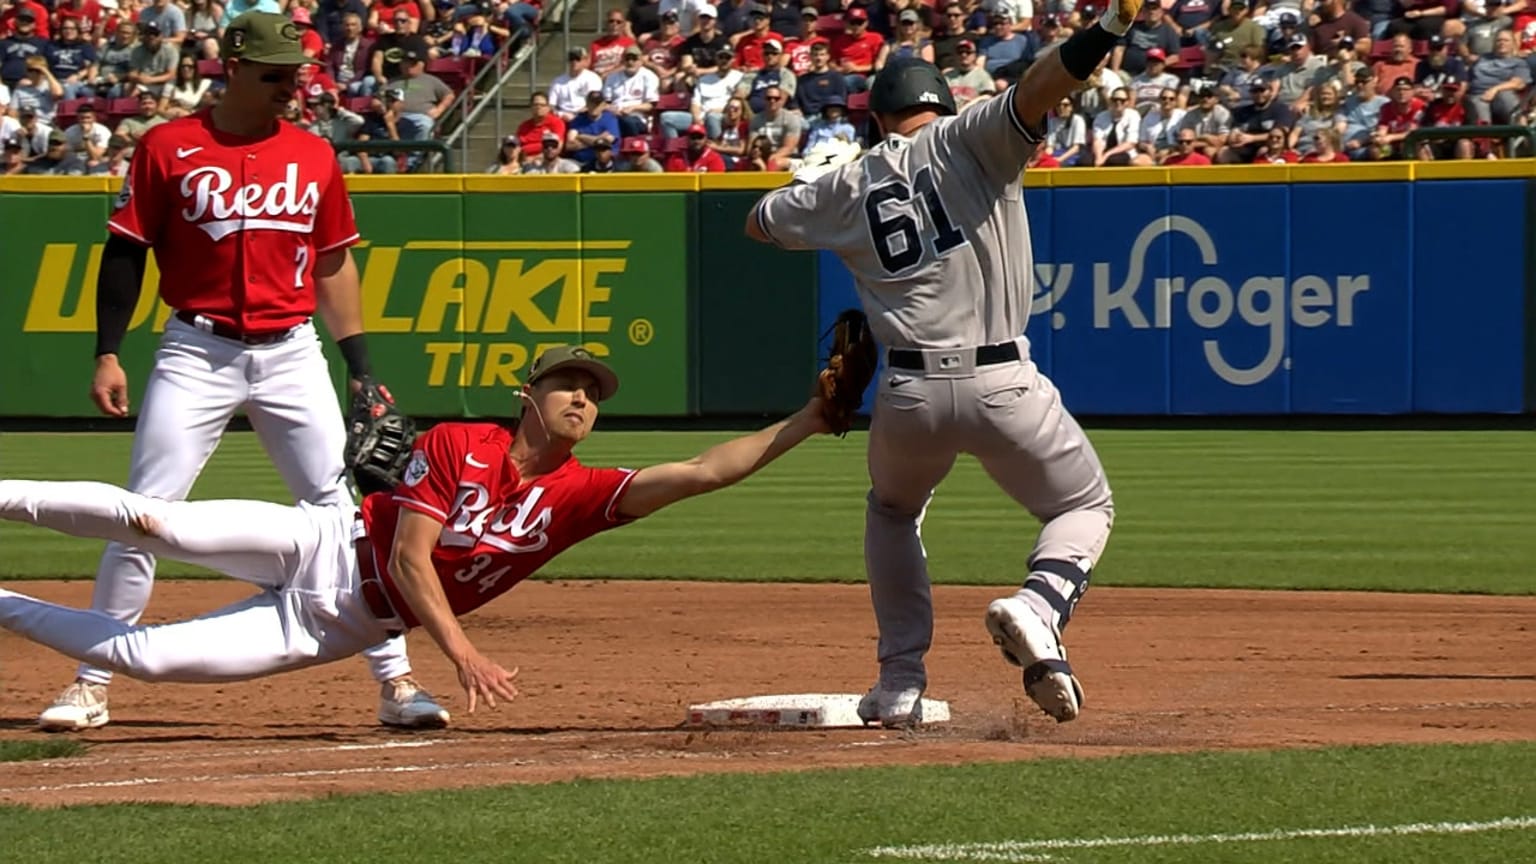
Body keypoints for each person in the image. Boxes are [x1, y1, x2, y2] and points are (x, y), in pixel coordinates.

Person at [0, 348, 833, 713]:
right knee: (152, 518)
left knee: (141, 657)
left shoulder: (582, 494)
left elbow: (707, 470)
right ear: (528, 395)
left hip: (338, 622)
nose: (582, 398)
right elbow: (407, 555)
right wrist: (461, 652)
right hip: (326, 543)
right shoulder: (457, 443)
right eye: (566, 383)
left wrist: (809, 416)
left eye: (593, 391)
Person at [39, 11, 449, 734]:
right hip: (197, 350)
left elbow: (333, 262)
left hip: (292, 350)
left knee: (340, 517)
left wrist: (360, 367)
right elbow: (126, 250)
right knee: (144, 510)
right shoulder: (169, 147)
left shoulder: (314, 154)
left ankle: (397, 681)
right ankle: (90, 680)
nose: (290, 87)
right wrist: (107, 350)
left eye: (295, 74)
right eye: (274, 75)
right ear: (231, 66)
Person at [743, 4, 1135, 727]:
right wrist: (1107, 30)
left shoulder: (847, 182)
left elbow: (760, 221)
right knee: (1083, 507)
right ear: (943, 105)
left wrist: (831, 193)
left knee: (892, 512)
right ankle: (1038, 607)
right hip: (1002, 381)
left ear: (877, 119)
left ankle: (898, 684)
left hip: (908, 392)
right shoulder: (974, 134)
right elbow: (1045, 83)